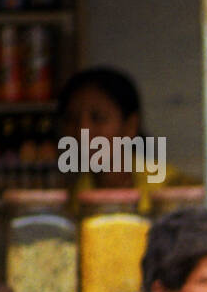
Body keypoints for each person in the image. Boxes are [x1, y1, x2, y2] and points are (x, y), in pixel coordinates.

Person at [58, 66, 182, 213]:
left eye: (98, 118)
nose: (82, 131)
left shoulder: (171, 188)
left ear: (130, 126)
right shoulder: (73, 198)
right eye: (71, 120)